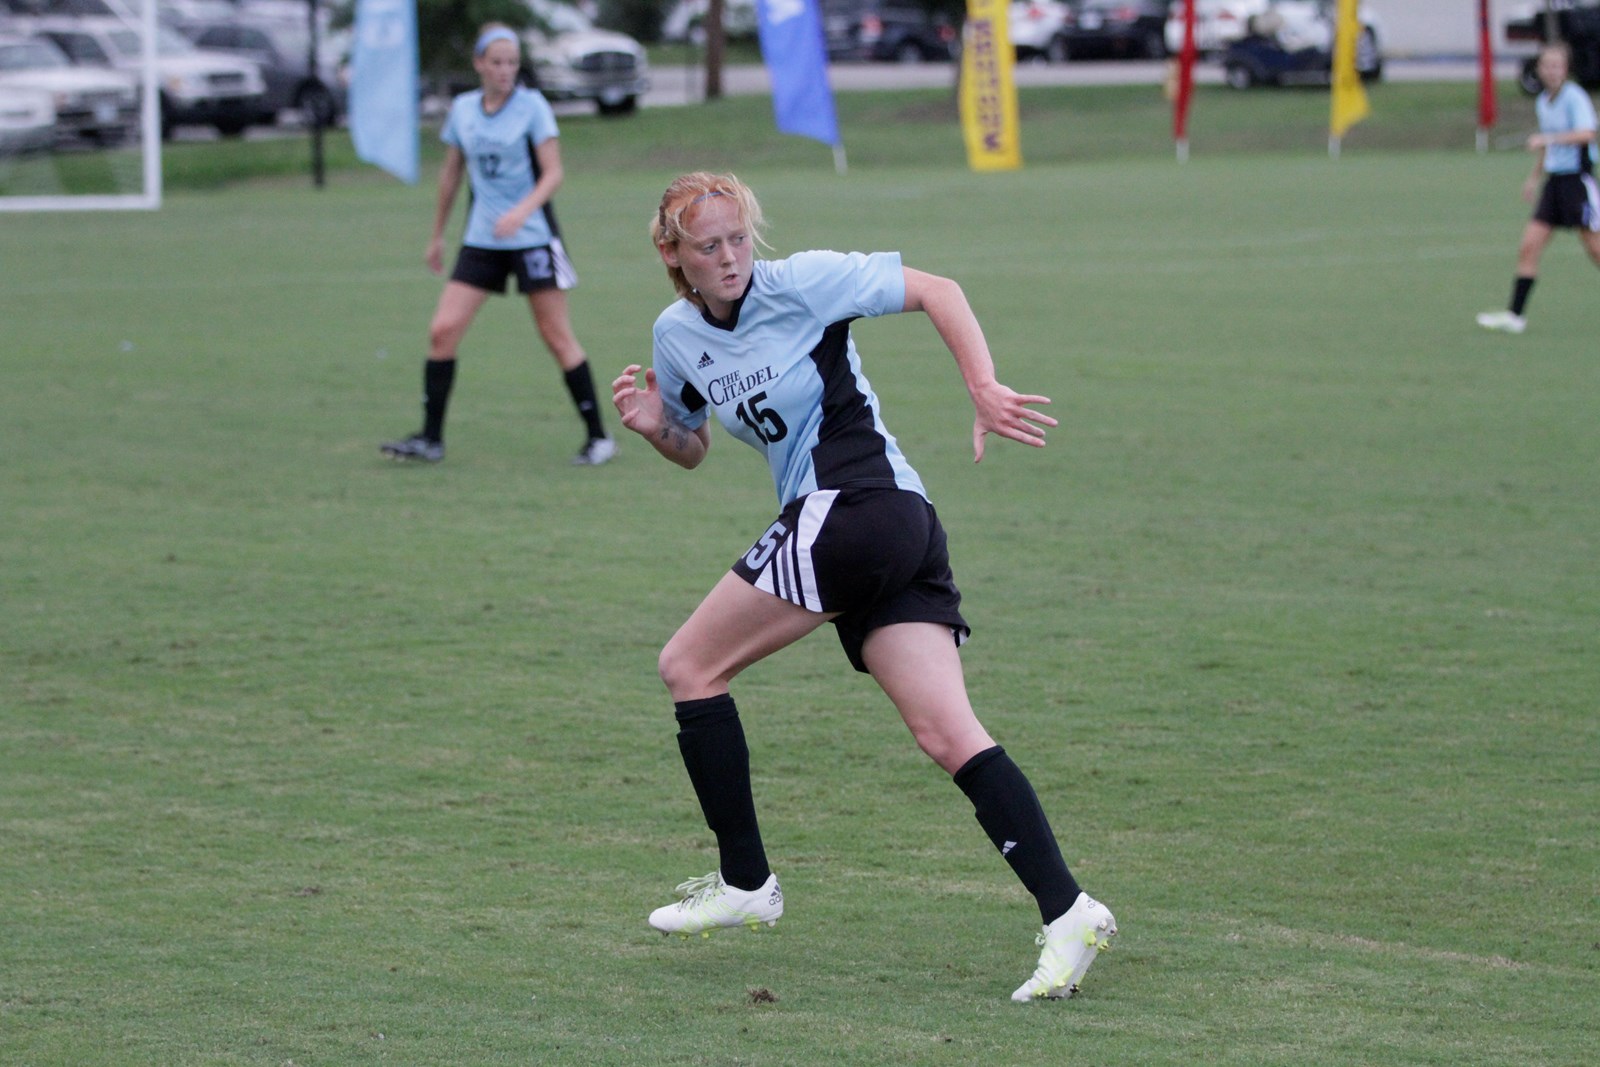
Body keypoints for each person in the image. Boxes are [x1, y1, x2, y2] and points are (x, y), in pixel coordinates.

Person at [611, 172, 1117, 1003]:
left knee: (689, 666)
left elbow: (937, 290)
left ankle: (746, 881)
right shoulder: (676, 335)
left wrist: (983, 387)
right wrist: (655, 430)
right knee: (948, 733)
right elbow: (692, 443)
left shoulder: (802, 282)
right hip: (881, 531)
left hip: (862, 509)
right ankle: (1070, 911)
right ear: (673, 254)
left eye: (739, 236)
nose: (732, 256)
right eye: (710, 245)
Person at [381, 24, 614, 465]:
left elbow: (553, 173)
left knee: (556, 336)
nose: (506, 70)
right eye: (497, 62)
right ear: (479, 65)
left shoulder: (532, 108)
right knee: (442, 331)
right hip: (481, 240)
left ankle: (599, 437)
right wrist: (436, 235)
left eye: (512, 62)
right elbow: (451, 175)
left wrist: (522, 211)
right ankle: (431, 440)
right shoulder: (464, 110)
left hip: (532, 239)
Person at [1477, 42, 1600, 335]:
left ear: (1565, 69)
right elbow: (1547, 145)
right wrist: (1534, 178)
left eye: (1557, 65)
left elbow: (1587, 133)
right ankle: (1515, 316)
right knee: (1529, 245)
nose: (1552, 71)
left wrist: (1549, 140)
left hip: (1577, 182)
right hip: (1554, 183)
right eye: (1547, 65)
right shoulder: (1543, 101)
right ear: (1540, 69)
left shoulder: (1574, 97)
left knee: (1596, 251)